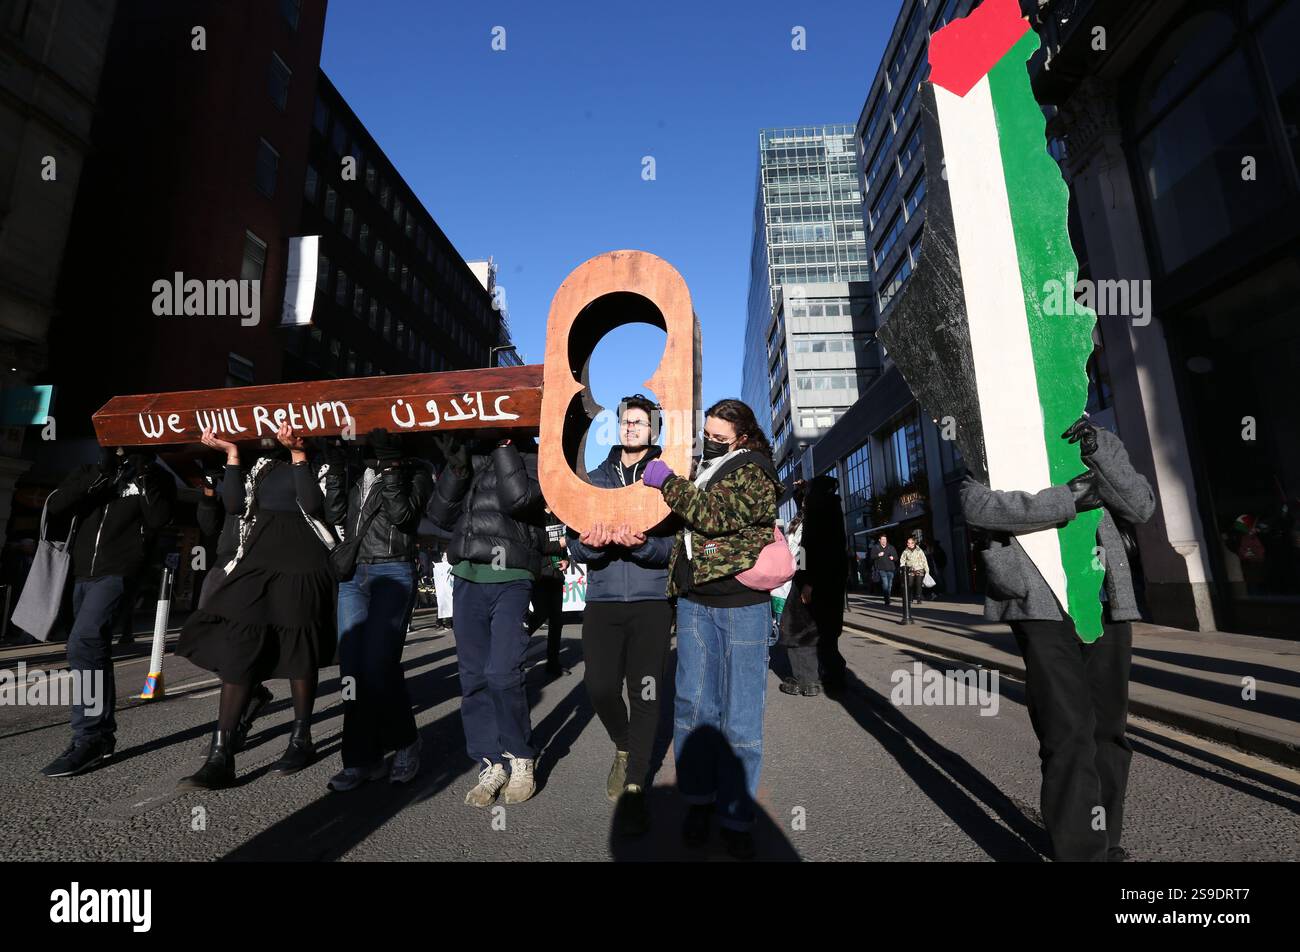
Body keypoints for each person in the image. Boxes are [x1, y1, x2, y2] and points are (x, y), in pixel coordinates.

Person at [959, 417, 1154, 862]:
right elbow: (979, 507)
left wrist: (1098, 450)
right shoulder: (991, 436)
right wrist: (1066, 500)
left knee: (1109, 730)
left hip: (1105, 600)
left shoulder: (1099, 440)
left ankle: (1106, 842)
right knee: (1067, 730)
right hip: (1041, 606)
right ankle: (1082, 854)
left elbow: (1140, 506)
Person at [641, 398, 782, 860]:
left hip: (742, 604)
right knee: (693, 707)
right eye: (707, 432)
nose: (711, 439)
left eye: (719, 434)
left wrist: (669, 484)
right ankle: (699, 802)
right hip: (695, 600)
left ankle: (736, 815)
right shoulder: (709, 466)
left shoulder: (756, 468)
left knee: (740, 716)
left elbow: (714, 517)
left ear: (742, 434)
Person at [174, 424, 336, 789]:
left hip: (304, 564)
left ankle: (301, 738)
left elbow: (311, 504)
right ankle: (222, 754)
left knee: (298, 651)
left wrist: (298, 454)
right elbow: (233, 506)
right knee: (238, 647)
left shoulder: (322, 462)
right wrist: (232, 455)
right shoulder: (260, 464)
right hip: (256, 562)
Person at [565, 394, 674, 836]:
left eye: (639, 423)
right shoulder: (594, 478)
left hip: (650, 601)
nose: (632, 428)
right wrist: (590, 545)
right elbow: (573, 544)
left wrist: (644, 547)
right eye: (626, 422)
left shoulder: (665, 479)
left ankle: (635, 784)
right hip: (605, 598)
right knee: (600, 685)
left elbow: (671, 548)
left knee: (645, 692)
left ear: (653, 430)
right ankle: (624, 746)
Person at [40, 447, 174, 778]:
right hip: (80, 573)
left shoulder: (156, 478)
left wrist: (143, 472)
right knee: (90, 650)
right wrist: (101, 473)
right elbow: (57, 507)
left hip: (120, 571)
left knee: (84, 642)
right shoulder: (90, 471)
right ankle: (99, 735)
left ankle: (89, 736)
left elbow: (158, 518)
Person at [427, 432, 544, 808]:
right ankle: (490, 762)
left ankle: (520, 756)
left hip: (511, 574)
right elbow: (440, 515)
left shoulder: (533, 454)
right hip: (467, 575)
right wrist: (457, 467)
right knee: (473, 676)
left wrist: (505, 446)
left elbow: (520, 499)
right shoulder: (470, 454)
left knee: (503, 672)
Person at [322, 429, 432, 792]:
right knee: (352, 672)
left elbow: (402, 515)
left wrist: (391, 468)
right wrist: (337, 470)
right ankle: (360, 759)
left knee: (379, 667)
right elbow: (335, 512)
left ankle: (405, 742)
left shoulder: (416, 471)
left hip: (393, 568)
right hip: (354, 575)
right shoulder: (358, 470)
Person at [195, 462, 273, 751]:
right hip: (222, 563)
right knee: (204, 638)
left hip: (255, 565)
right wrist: (207, 493)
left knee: (239, 648)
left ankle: (232, 728)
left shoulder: (268, 470)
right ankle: (252, 692)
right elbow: (209, 525)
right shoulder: (228, 474)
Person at [528, 511, 569, 677]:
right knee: (539, 614)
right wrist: (563, 543)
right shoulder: (533, 516)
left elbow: (563, 546)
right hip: (539, 574)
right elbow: (537, 544)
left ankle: (553, 663)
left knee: (557, 621)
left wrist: (566, 560)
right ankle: (514, 648)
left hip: (556, 575)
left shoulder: (559, 515)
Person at [870, 533, 899, 606]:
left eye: (885, 539)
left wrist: (893, 558)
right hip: (881, 569)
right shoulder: (876, 547)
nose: (884, 541)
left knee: (890, 585)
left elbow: (896, 557)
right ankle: (887, 600)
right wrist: (878, 555)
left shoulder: (891, 547)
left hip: (891, 568)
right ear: (879, 540)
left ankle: (887, 597)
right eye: (882, 539)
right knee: (885, 584)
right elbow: (872, 557)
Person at [899, 536, 929, 606]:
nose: (908, 544)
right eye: (907, 543)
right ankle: (910, 597)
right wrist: (902, 567)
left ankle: (919, 598)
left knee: (919, 584)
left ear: (913, 544)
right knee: (910, 584)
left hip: (919, 569)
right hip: (910, 570)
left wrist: (927, 570)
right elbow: (902, 560)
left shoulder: (919, 550)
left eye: (909, 543)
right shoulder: (905, 551)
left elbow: (924, 560)